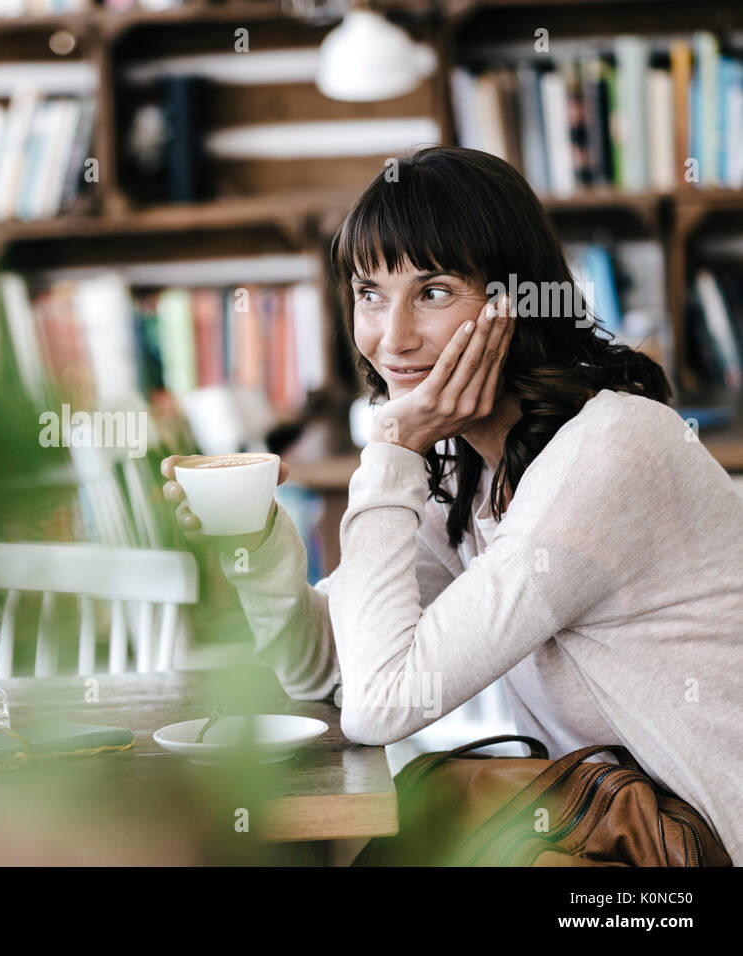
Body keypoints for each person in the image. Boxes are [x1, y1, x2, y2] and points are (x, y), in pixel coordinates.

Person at [161, 146, 743, 864]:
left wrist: (394, 446)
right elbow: (329, 672)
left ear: (513, 302)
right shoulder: (468, 466)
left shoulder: (610, 450)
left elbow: (380, 707)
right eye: (369, 293)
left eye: (432, 291)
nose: (392, 337)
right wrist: (258, 540)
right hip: (604, 834)